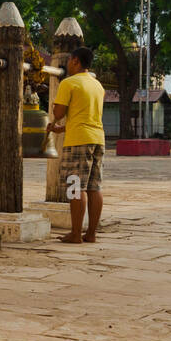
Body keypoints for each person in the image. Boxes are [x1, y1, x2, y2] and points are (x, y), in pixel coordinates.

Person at [47, 45, 105, 243]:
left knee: (75, 186)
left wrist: (56, 111)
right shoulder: (97, 85)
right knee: (94, 187)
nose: (68, 65)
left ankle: (75, 233)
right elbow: (84, 117)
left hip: (77, 142)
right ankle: (91, 233)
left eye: (70, 61)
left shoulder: (69, 83)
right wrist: (61, 129)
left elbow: (59, 113)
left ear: (75, 61)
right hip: (97, 139)